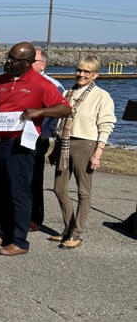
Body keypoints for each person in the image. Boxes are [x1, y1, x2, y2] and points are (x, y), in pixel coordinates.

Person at [0, 42, 70, 256]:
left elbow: (65, 108)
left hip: (22, 145)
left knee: (18, 192)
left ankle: (19, 241)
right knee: (0, 190)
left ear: (28, 63)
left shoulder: (41, 84)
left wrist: (39, 112)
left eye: (13, 59)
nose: (8, 61)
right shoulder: (1, 81)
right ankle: (3, 233)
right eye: (8, 57)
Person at [49, 55, 116, 249]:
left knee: (83, 191)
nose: (82, 74)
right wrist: (55, 147)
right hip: (64, 143)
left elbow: (106, 125)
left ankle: (77, 233)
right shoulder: (69, 92)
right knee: (59, 188)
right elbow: (61, 122)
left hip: (85, 144)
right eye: (79, 70)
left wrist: (98, 153)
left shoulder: (102, 96)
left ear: (95, 74)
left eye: (87, 71)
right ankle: (68, 228)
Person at [29, 48, 65, 231]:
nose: (27, 62)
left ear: (42, 64)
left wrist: (46, 134)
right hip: (19, 136)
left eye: (32, 60)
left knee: (35, 178)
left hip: (38, 137)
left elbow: (58, 113)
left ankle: (35, 217)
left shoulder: (53, 85)